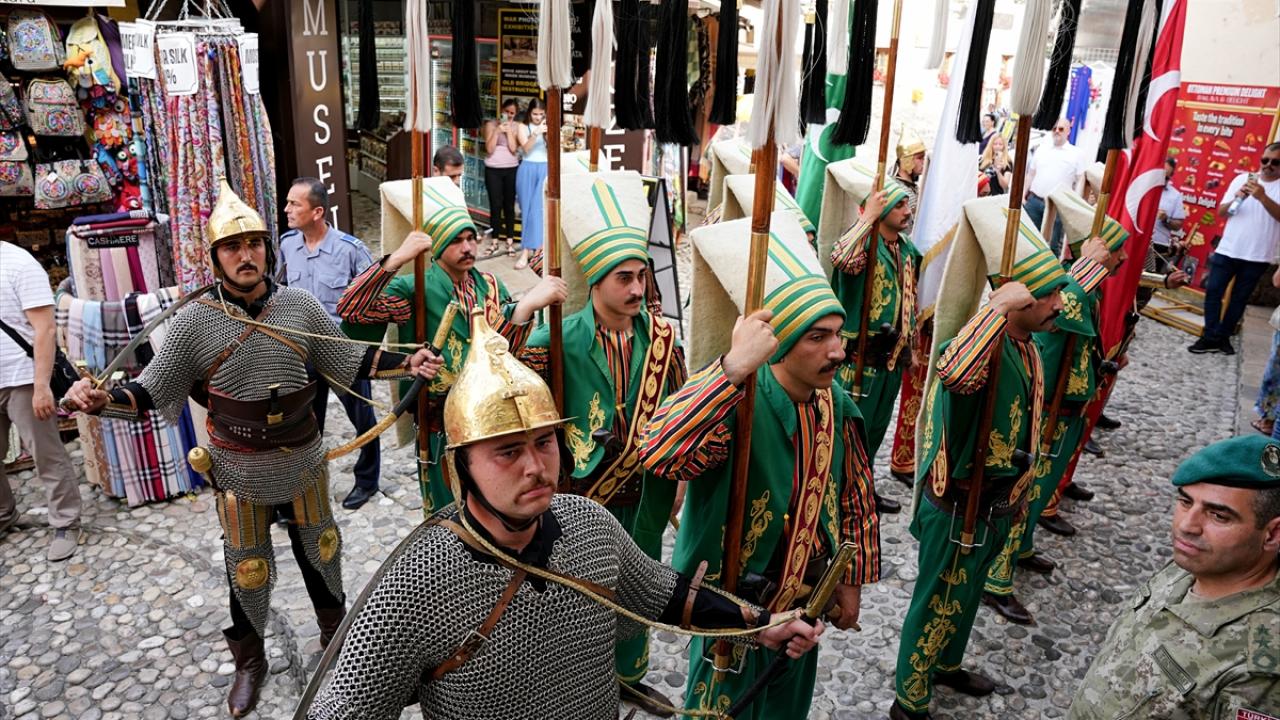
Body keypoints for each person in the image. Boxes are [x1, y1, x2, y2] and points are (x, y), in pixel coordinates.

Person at [302, 307, 823, 719]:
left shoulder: (587, 524)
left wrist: (757, 625)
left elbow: (662, 594)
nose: (535, 466)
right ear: (461, 466)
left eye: (545, 441)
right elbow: (347, 708)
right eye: (507, 450)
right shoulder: (416, 583)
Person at [62, 180, 442, 718]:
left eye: (256, 244)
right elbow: (151, 390)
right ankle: (250, 662)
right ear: (215, 258)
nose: (247, 256)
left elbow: (350, 360)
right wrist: (101, 400)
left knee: (323, 552)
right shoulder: (195, 322)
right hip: (238, 465)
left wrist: (408, 363)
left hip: (302, 455)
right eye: (233, 248)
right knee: (248, 568)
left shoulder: (300, 306)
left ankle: (334, 638)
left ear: (268, 248)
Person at [641, 215, 880, 720]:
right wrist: (731, 368)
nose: (838, 351)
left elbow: (856, 494)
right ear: (782, 344)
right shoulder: (738, 405)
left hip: (806, 611)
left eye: (838, 334)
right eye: (818, 337)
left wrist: (850, 581)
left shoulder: (835, 404)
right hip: (730, 619)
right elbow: (658, 452)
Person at [515, 172, 688, 715]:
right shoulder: (558, 337)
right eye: (623, 278)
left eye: (642, 275)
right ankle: (578, 684)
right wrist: (523, 311)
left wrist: (680, 477)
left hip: (648, 492)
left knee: (640, 585)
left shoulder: (663, 339)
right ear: (596, 280)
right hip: (582, 495)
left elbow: (682, 410)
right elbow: (499, 380)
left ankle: (629, 675)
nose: (637, 289)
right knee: (579, 592)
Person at [892, 197, 1069, 720]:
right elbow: (955, 374)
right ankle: (910, 696)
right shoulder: (979, 341)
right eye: (1050, 295)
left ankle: (945, 665)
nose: (1061, 304)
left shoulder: (1027, 343)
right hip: (958, 503)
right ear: (1015, 302)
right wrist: (993, 310)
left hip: (994, 502)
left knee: (965, 598)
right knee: (935, 601)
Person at [336, 178, 566, 516]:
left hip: (494, 422)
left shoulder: (490, 285)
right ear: (439, 246)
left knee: (498, 509)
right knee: (451, 514)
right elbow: (352, 308)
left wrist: (523, 312)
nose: (468, 247)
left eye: (472, 238)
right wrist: (397, 258)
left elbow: (503, 352)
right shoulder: (416, 288)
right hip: (443, 423)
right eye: (457, 241)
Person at [982, 188, 1130, 624]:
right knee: (1023, 494)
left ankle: (1023, 548)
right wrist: (1086, 270)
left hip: (1071, 407)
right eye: (1114, 252)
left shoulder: (1092, 289)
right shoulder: (1065, 288)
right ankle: (998, 578)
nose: (1120, 260)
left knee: (1040, 493)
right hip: (1045, 411)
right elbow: (1065, 312)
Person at [1067, 434, 1280, 718]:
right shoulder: (1195, 563)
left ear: (1273, 534)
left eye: (1219, 516)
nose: (1187, 526)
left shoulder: (1259, 668)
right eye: (1185, 501)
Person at [280, 177, 382, 510]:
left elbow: (373, 300)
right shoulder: (286, 245)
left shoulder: (349, 250)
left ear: (318, 211)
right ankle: (307, 487)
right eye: (288, 202)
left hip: (342, 351)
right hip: (302, 352)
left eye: (295, 204)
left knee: (363, 418)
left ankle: (367, 482)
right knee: (307, 425)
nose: (287, 210)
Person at [830, 176, 922, 515]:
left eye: (907, 204)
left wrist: (909, 351)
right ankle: (834, 498)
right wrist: (867, 217)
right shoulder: (864, 244)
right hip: (859, 363)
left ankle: (860, 489)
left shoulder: (907, 250)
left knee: (873, 434)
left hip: (891, 362)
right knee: (849, 434)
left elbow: (908, 302)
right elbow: (841, 259)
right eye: (898, 204)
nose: (906, 211)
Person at [0, 241, 82, 562]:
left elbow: (44, 330)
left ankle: (66, 521)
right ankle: (4, 514)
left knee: (46, 455)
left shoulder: (18, 263)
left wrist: (41, 386)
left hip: (22, 377)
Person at [1189, 142, 1280, 355]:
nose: (1268, 165)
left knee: (1239, 299)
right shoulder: (1242, 179)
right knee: (1213, 292)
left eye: (1275, 162)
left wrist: (1262, 197)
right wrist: (1239, 197)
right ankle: (1210, 336)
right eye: (1265, 160)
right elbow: (1222, 212)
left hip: (1258, 255)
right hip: (1228, 249)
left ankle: (1222, 337)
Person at [1024, 118, 1082, 256]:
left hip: (1057, 206)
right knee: (1027, 240)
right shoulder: (1041, 149)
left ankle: (1048, 277)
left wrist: (1075, 205)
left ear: (1068, 131)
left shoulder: (1076, 154)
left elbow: (1080, 181)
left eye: (1061, 129)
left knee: (1050, 245)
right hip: (1034, 201)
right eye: (1054, 128)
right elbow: (1031, 174)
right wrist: (1022, 195)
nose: (1057, 131)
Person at [483, 98, 521, 256]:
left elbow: (513, 149)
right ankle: (495, 241)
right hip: (493, 169)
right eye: (507, 112)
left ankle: (510, 242)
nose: (509, 116)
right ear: (501, 110)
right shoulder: (490, 125)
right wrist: (497, 131)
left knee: (509, 205)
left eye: (512, 114)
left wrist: (509, 131)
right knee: (495, 205)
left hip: (511, 168)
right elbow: (489, 149)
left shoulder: (517, 127)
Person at [515, 98, 550, 270]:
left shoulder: (548, 125)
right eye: (535, 114)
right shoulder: (523, 126)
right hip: (527, 168)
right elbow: (526, 149)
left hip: (544, 168)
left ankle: (536, 251)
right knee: (527, 210)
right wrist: (536, 132)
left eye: (541, 114)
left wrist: (548, 133)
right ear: (530, 113)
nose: (538, 117)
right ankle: (526, 251)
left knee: (539, 210)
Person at [1151, 156, 1187, 259]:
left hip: (1159, 244)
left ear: (1171, 175)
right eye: (1160, 175)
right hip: (1136, 239)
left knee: (1151, 275)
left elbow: (1178, 225)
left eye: (1166, 177)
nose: (1161, 180)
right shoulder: (1142, 188)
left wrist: (1166, 219)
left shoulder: (1175, 195)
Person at [893, 130, 927, 235]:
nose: (924, 161)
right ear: (907, 160)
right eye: (920, 158)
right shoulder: (899, 191)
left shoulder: (911, 187)